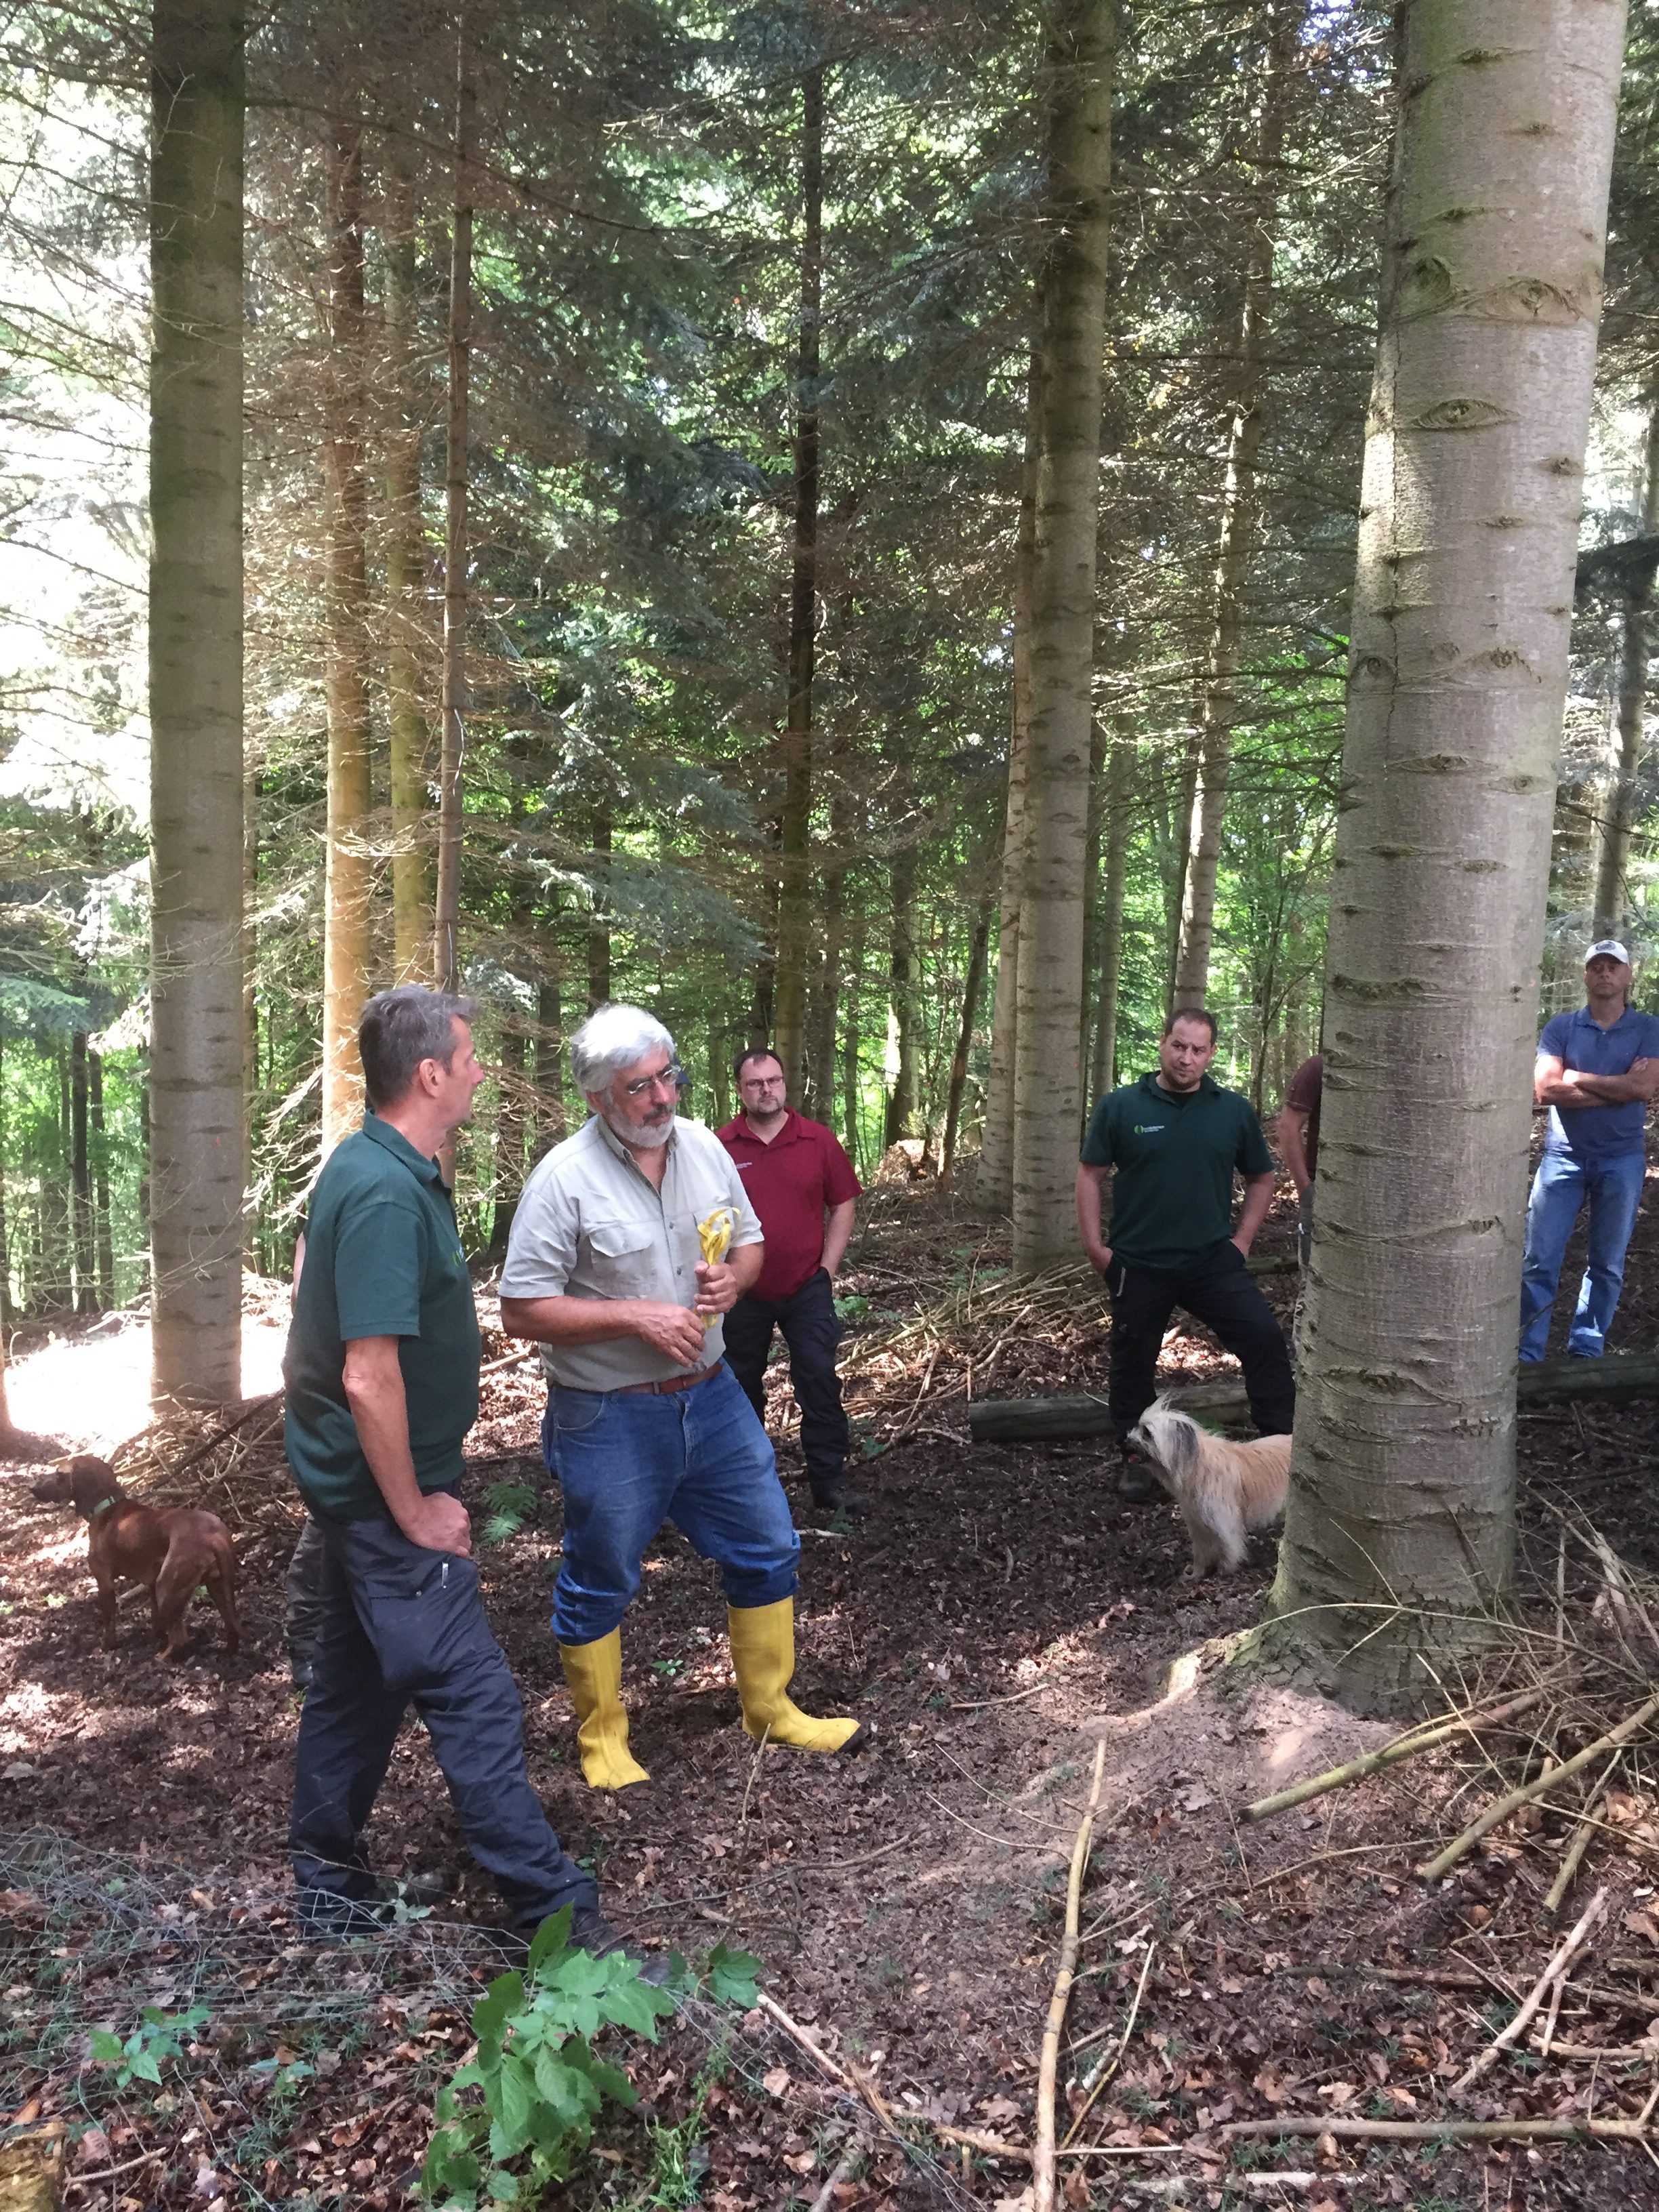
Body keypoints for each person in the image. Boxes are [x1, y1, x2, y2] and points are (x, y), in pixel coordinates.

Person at [285, 986, 636, 1961]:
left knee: (352, 1691)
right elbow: (365, 1371)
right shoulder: (385, 1189)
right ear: (430, 1073)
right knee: (475, 1697)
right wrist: (415, 1508)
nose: (481, 1069)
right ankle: (559, 1920)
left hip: (356, 1498)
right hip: (384, 1507)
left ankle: (326, 1892)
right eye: (471, 1056)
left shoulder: (381, 1168)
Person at [499, 1002, 863, 1792]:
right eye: (641, 1087)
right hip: (609, 1414)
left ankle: (769, 1707)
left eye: (671, 1076)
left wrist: (739, 1277)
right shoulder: (563, 1179)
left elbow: (750, 1243)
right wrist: (632, 1314)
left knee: (768, 1545)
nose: (664, 1098)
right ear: (598, 1098)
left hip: (715, 1396)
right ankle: (603, 1739)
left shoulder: (702, 1147)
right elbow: (521, 1310)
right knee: (603, 1572)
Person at [1076, 1006, 1296, 1500]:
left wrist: (1241, 1242)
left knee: (1262, 1338)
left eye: (1199, 1050)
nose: (1187, 1058)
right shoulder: (1122, 1106)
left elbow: (1263, 1178)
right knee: (1132, 1362)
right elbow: (1090, 1175)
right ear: (1163, 1043)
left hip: (1211, 1260)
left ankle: (1282, 1450)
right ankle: (1140, 1463)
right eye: (1179, 1046)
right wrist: (1096, 1248)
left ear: (1211, 1053)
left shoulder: (1231, 1110)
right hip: (1139, 1261)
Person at [716, 1048, 865, 1519]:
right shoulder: (719, 1146)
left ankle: (829, 1484)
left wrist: (827, 1269)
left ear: (785, 1084)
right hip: (743, 1290)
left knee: (819, 1380)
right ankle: (748, 1487)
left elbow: (843, 1203)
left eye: (774, 1080)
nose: (767, 1090)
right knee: (740, 1388)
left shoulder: (817, 1140)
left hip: (807, 1286)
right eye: (756, 1083)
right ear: (740, 1090)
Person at [1519, 940, 1659, 1363]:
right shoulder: (1560, 1028)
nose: (1604, 973)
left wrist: (1577, 1077)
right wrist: (1619, 1088)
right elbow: (1546, 1090)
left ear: (1626, 975)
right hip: (1562, 1158)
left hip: (1623, 1158)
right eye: (1596, 966)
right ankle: (1527, 1353)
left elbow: (1645, 1088)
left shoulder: (1649, 1028)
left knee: (1608, 1263)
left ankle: (1586, 1349)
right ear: (1585, 976)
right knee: (1539, 1259)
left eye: (1612, 966)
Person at [1276, 1052, 1324, 1272]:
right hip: (1323, 1196)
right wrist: (1306, 1190)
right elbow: (1288, 1126)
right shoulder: (1320, 1066)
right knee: (1313, 1282)